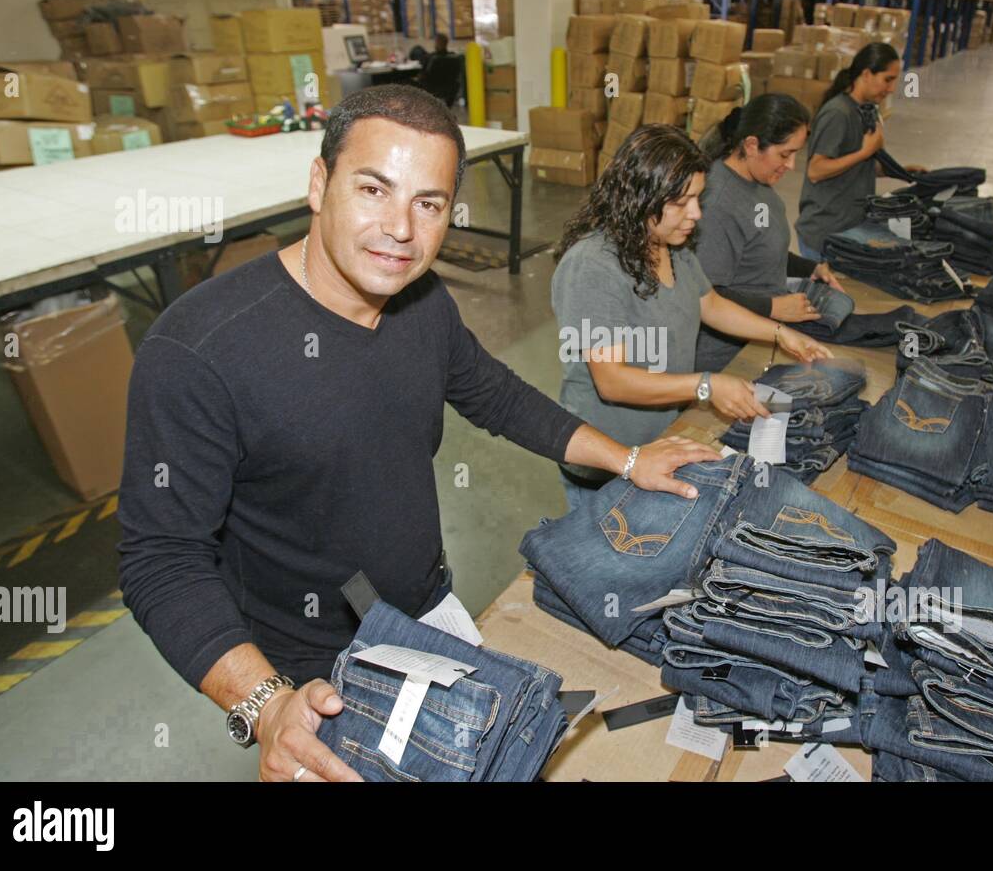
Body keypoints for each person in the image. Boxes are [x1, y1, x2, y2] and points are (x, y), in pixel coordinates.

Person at [117, 85, 718, 783]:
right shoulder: (200, 350)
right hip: (312, 668)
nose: (401, 228)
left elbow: (497, 396)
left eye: (428, 203)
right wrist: (266, 705)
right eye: (374, 189)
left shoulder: (420, 304)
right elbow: (160, 559)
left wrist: (629, 458)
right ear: (319, 183)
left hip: (427, 609)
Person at [551, 123, 835, 511]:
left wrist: (781, 334)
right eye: (683, 202)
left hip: (661, 441)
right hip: (608, 464)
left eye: (698, 199)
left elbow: (710, 304)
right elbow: (612, 381)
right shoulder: (592, 267)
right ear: (641, 198)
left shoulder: (669, 243)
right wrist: (706, 386)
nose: (696, 214)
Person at [693, 93, 846, 373]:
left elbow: (759, 246)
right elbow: (704, 294)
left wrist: (809, 267)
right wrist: (773, 308)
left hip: (762, 336)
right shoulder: (717, 203)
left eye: (796, 153)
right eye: (785, 154)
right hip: (725, 358)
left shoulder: (758, 183)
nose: (791, 165)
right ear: (752, 145)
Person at [795, 42, 923, 260]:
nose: (891, 88)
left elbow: (860, 167)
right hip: (825, 234)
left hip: (850, 228)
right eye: (888, 79)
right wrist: (864, 153)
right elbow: (816, 170)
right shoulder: (837, 114)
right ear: (866, 74)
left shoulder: (867, 111)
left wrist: (897, 170)